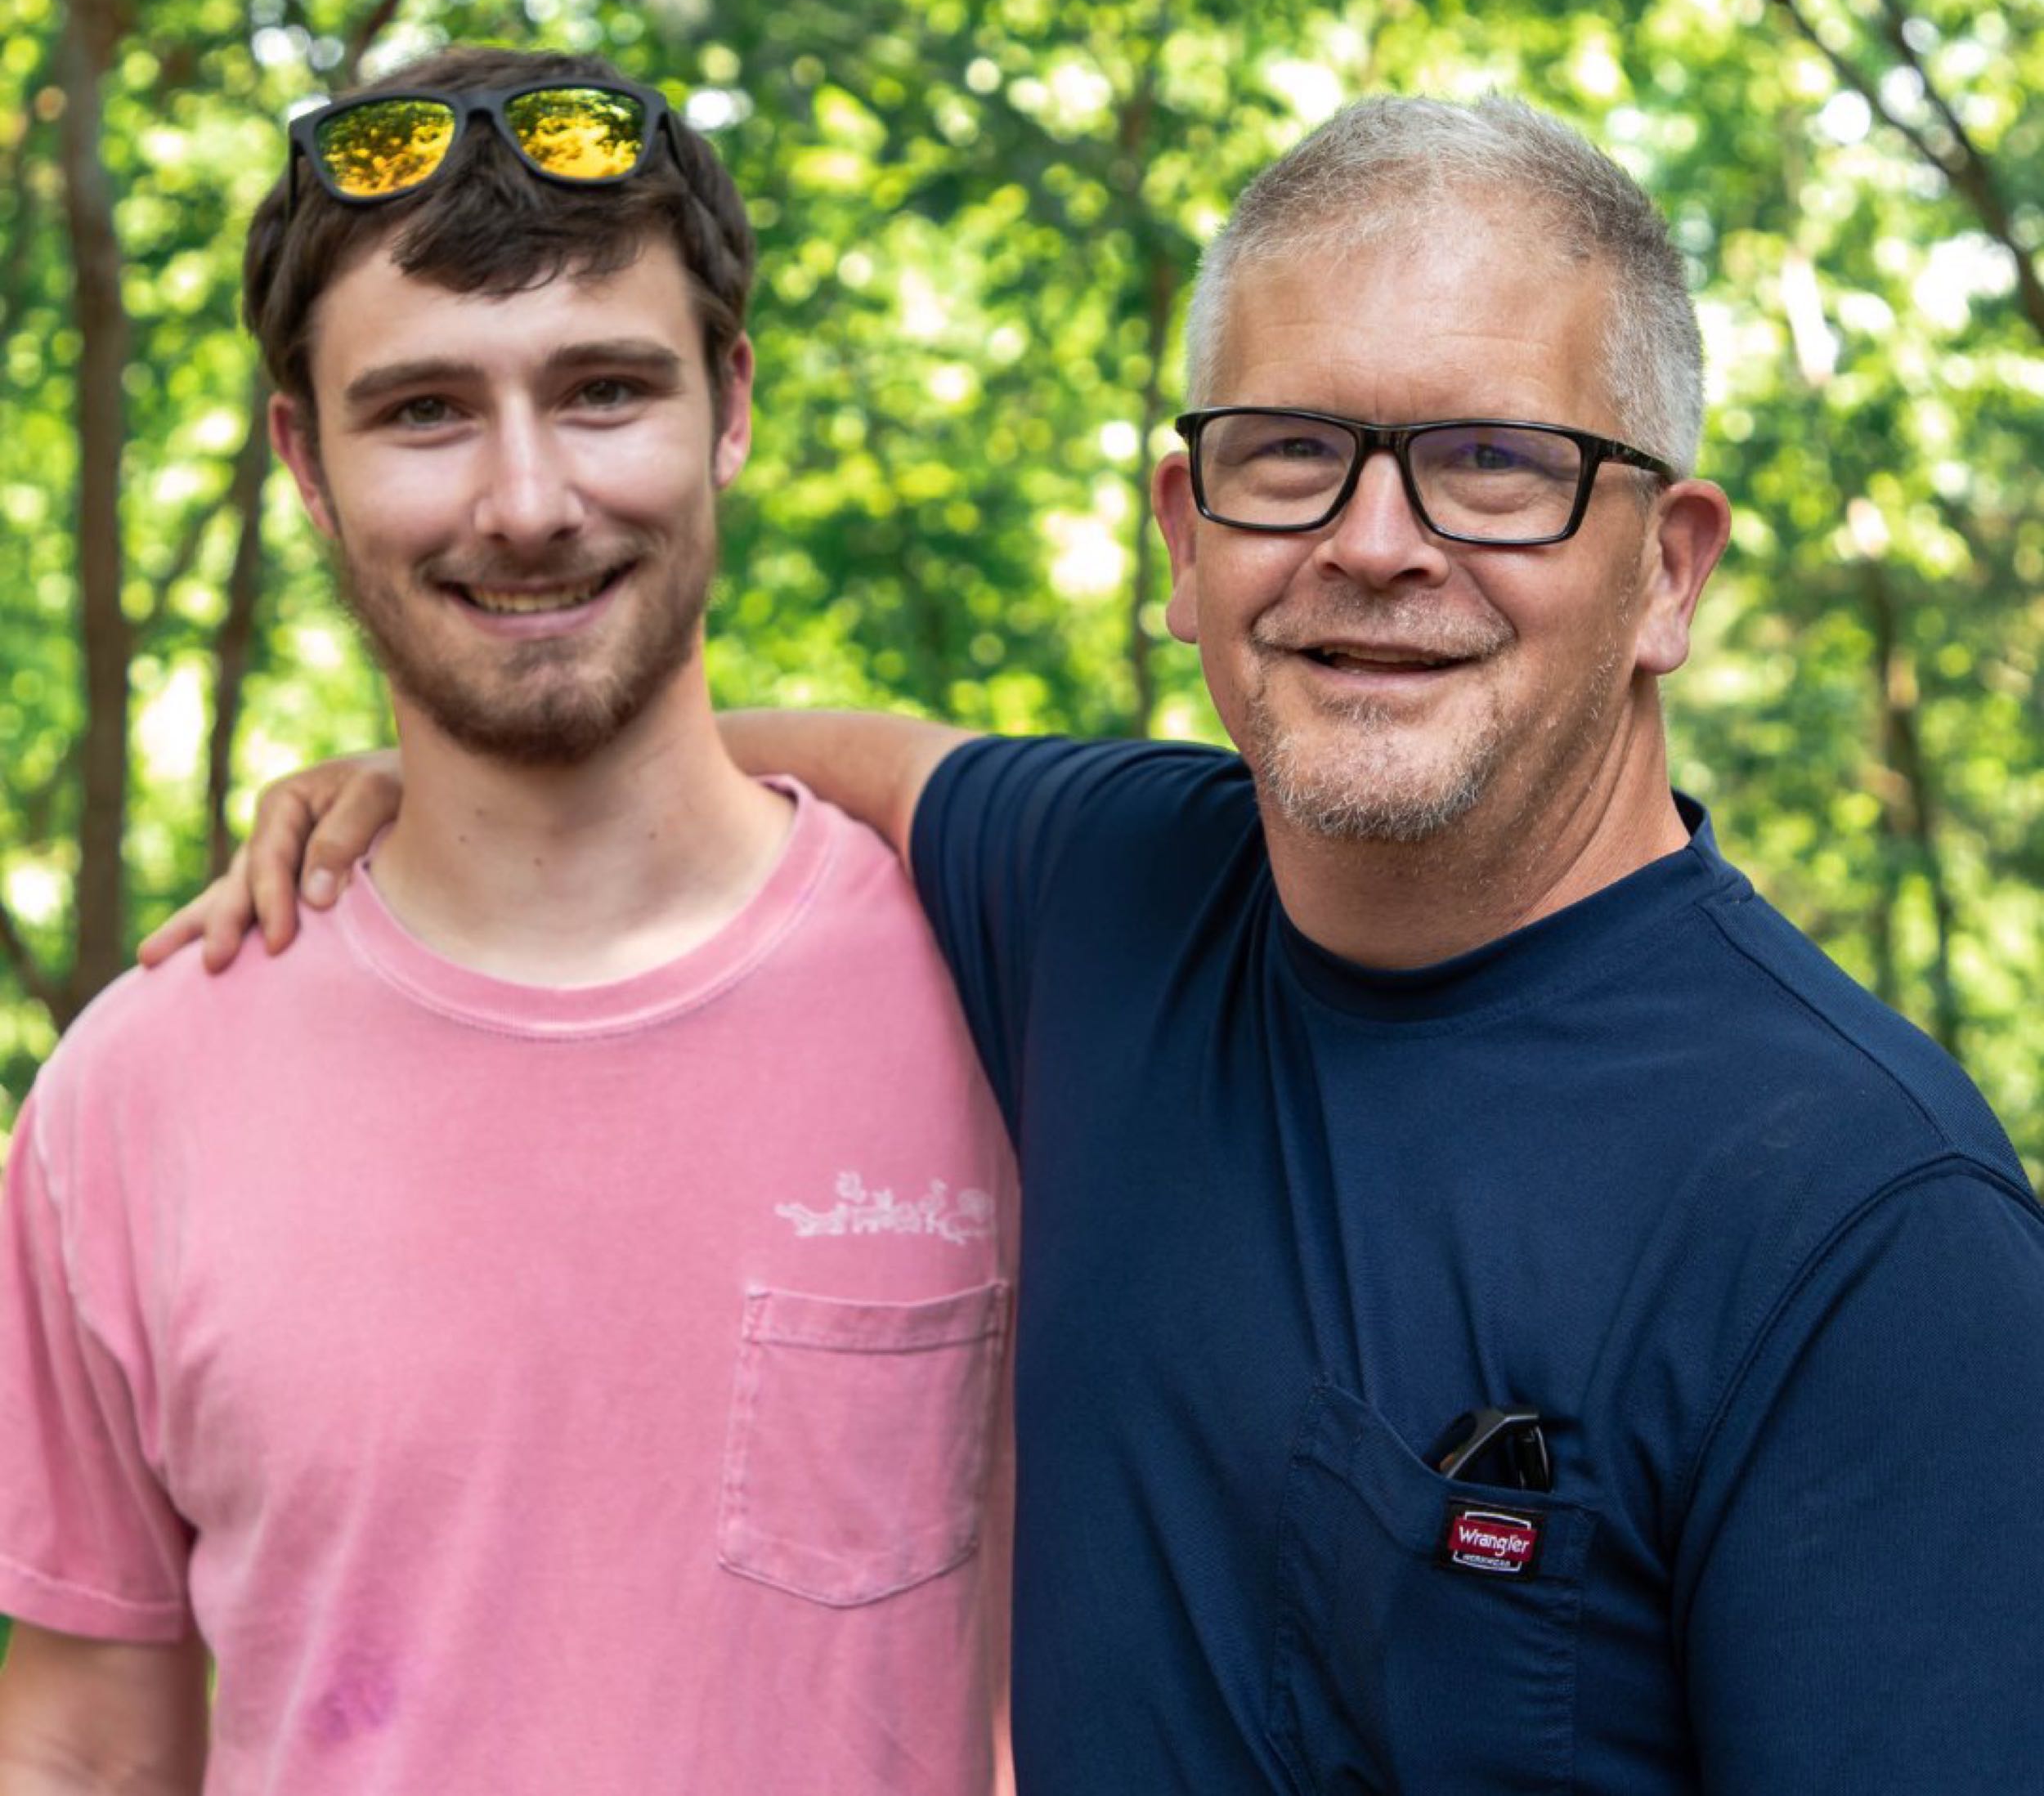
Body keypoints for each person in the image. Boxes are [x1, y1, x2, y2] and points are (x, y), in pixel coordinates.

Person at [151, 96, 2044, 1791]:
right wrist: (442, 768)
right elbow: (865, 761)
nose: (1372, 541)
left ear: (1668, 567)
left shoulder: (1868, 1224)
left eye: (1490, 461)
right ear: (1179, 534)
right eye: (1287, 451)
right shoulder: (1114, 893)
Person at [0, 46, 1016, 1795]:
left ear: (734, 402)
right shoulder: (137, 1090)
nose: (528, 501)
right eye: (423, 412)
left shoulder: (1015, 998)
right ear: (303, 462)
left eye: (605, 387)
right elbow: (89, 1743)